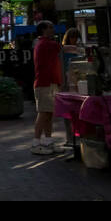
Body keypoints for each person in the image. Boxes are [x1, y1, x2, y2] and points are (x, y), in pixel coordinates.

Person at [31, 20, 63, 154]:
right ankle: (36, 143)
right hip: (45, 83)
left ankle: (48, 141)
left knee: (48, 113)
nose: (53, 29)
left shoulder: (41, 43)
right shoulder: (46, 44)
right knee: (43, 113)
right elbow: (63, 48)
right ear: (43, 30)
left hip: (48, 83)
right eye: (50, 27)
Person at [60, 26, 82, 91]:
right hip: (67, 76)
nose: (74, 39)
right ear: (67, 38)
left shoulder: (80, 49)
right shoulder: (64, 49)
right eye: (72, 37)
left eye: (76, 37)